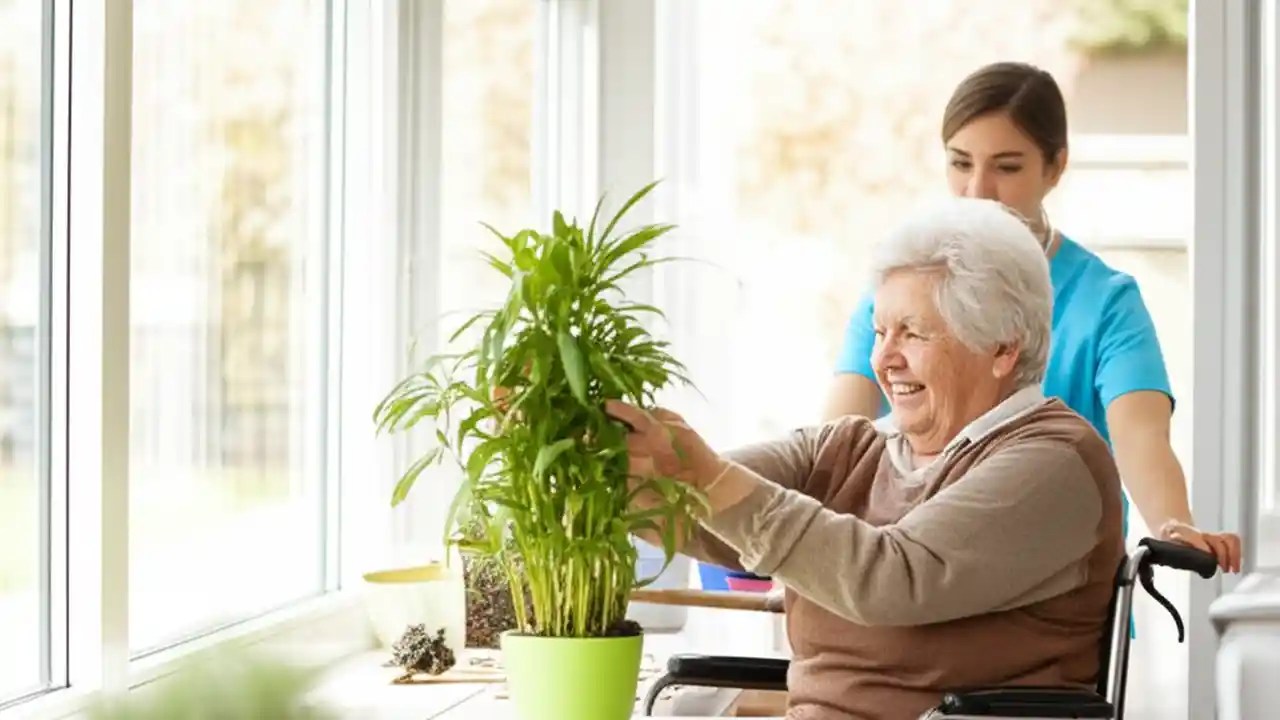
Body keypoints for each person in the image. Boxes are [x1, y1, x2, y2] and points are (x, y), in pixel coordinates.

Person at [609, 197, 1123, 720]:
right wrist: (596, 454)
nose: (883, 358)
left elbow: (891, 578)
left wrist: (709, 479)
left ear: (1002, 348)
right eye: (880, 333)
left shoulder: (1056, 462)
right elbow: (697, 509)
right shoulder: (851, 449)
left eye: (913, 333)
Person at [824, 61, 1241, 573]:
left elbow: (1140, 437)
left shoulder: (1105, 301)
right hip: (924, 581)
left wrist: (1172, 521)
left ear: (1055, 167)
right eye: (960, 163)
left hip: (1059, 588)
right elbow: (837, 437)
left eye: (1007, 167)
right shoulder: (894, 291)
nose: (978, 190)